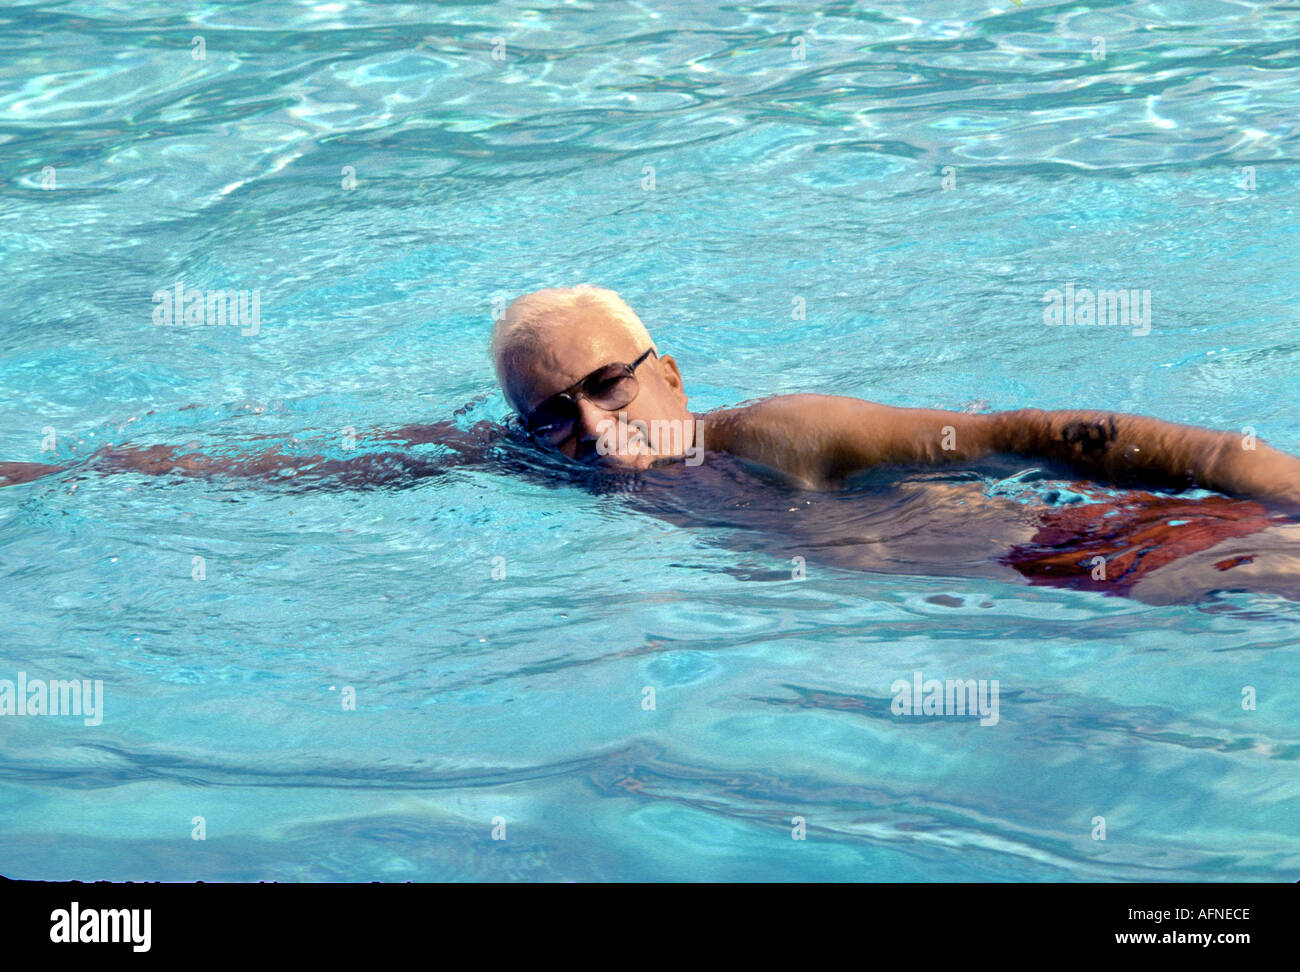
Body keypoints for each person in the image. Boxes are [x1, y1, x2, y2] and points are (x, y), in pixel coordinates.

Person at [4, 283, 1299, 603]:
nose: (591, 427)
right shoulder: (538, 461)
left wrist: (1276, 489)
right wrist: (58, 475)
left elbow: (1074, 432)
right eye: (551, 413)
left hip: (1108, 554)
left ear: (667, 367)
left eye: (610, 386)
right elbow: (311, 469)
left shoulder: (788, 433)